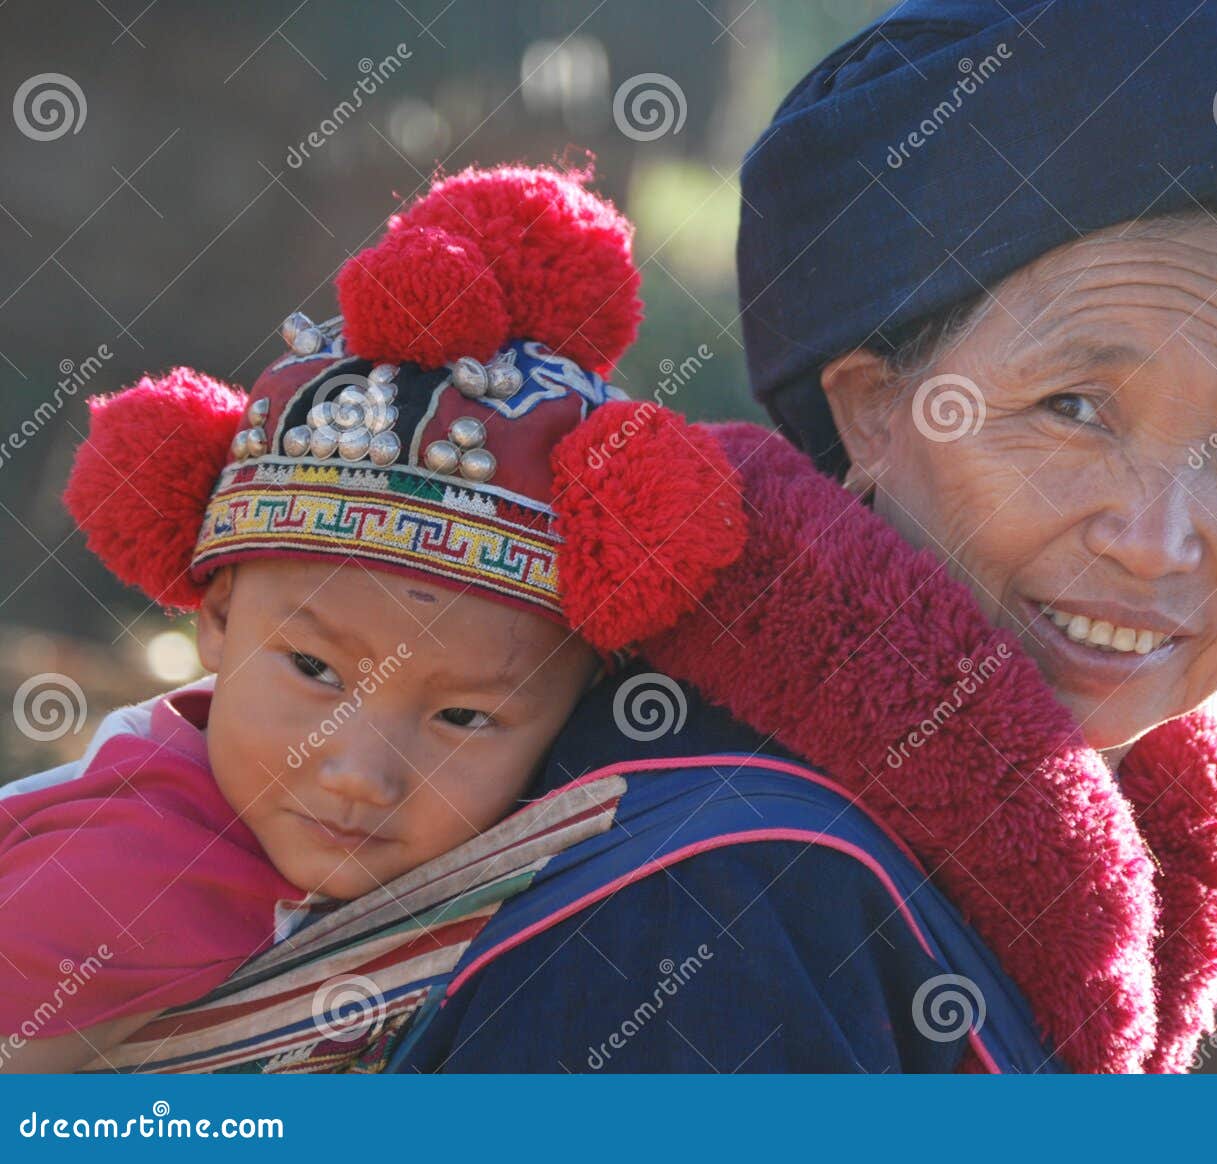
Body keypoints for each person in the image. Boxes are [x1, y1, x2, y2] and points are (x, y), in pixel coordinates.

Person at [389, 0, 1217, 1073]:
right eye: (1073, 408)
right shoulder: (727, 908)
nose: (1154, 541)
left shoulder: (993, 886)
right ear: (874, 410)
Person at [0, 163, 741, 1073]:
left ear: (573, 716)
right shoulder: (114, 888)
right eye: (315, 670)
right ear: (218, 616)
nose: (358, 773)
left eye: (462, 716)